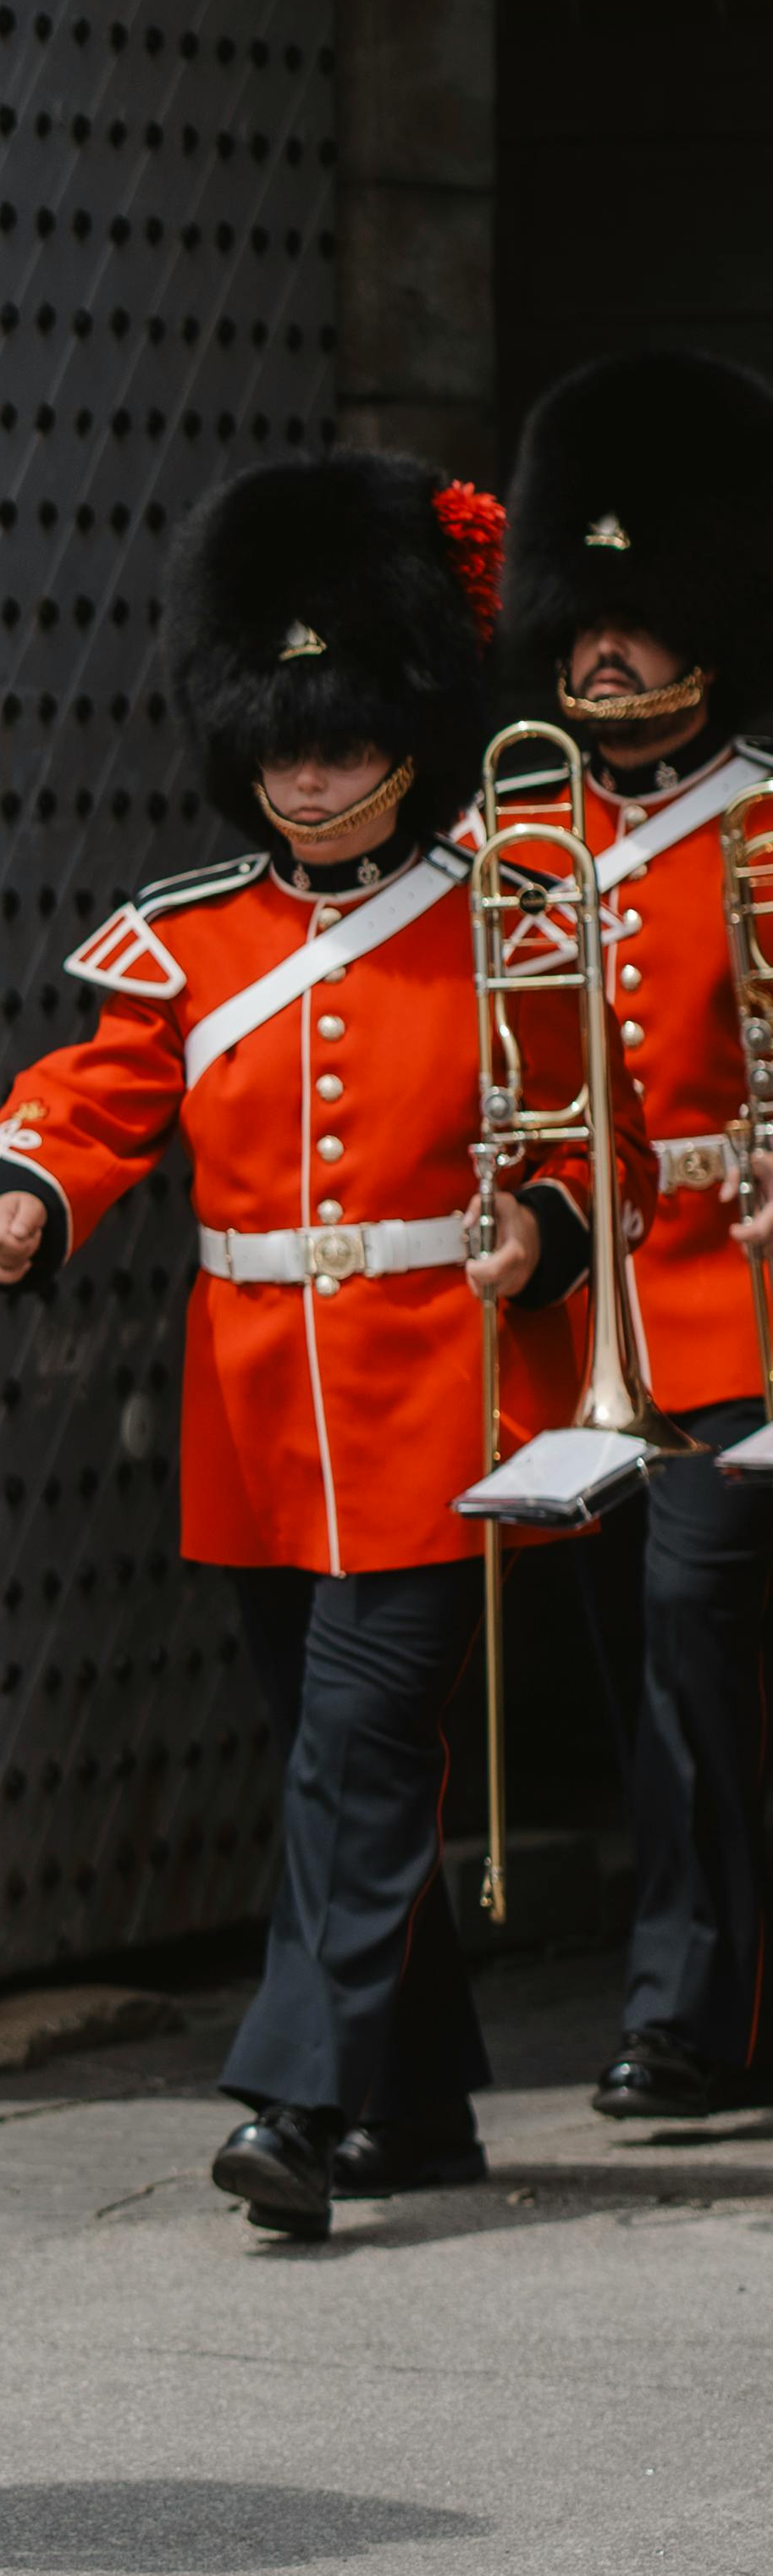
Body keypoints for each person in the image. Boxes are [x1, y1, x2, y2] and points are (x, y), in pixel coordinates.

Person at [0, 457, 628, 2241]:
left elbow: (587, 1134)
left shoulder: (503, 916)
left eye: (337, 744)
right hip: (256, 1406)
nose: (309, 776)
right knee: (317, 1750)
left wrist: (541, 1225)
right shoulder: (183, 936)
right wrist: (28, 1184)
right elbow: (90, 1091)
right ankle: (413, 2106)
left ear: (404, 729)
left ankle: (293, 2091)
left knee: (356, 1744)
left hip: (440, 1388)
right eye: (282, 747)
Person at [497, 352, 773, 2126]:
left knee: (696, 1632)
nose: (601, 648)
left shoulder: (761, 817)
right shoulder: (502, 833)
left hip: (743, 1291)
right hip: (583, 1311)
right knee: (640, 1665)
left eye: (637, 614)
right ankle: (693, 1993)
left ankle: (687, 2005)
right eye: (578, 615)